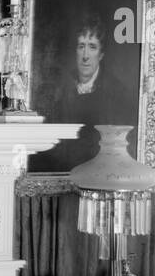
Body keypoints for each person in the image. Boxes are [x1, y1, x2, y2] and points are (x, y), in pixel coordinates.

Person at [35, 12, 134, 170]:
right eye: (81, 46)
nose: (85, 56)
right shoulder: (59, 88)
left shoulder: (116, 93)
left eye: (92, 47)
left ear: (101, 54)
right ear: (75, 50)